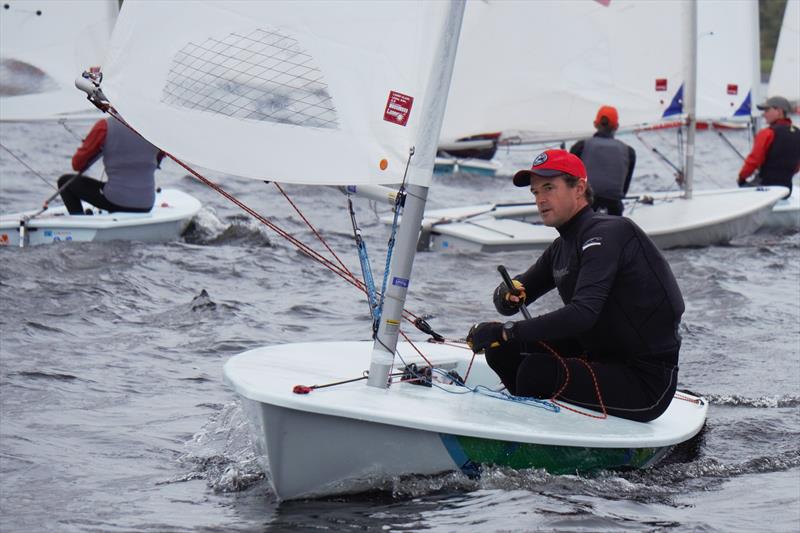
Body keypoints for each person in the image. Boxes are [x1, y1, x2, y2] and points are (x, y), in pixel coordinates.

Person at [466, 149, 685, 423]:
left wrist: (506, 331)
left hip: (645, 380)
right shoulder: (561, 247)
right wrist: (505, 295)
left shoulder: (609, 233)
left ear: (579, 188)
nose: (540, 199)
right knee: (501, 351)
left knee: (535, 370)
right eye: (535, 192)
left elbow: (583, 314)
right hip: (597, 357)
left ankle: (532, 429)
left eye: (549, 187)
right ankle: (531, 418)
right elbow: (512, 297)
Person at [57, 117, 163, 215]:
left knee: (64, 181)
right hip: (146, 203)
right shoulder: (153, 128)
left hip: (117, 201)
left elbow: (77, 164)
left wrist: (96, 146)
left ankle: (80, 222)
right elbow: (158, 159)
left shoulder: (105, 125)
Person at [570, 105, 636, 216]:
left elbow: (569, 181)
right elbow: (623, 190)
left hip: (585, 207)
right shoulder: (629, 152)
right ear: (616, 127)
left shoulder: (580, 146)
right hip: (613, 209)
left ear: (595, 124)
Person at [738, 95, 800, 197]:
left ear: (779, 111)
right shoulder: (798, 133)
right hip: (786, 190)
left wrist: (741, 177)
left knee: (742, 189)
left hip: (764, 190)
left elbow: (754, 160)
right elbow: (797, 167)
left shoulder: (767, 133)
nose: (764, 114)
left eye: (767, 110)